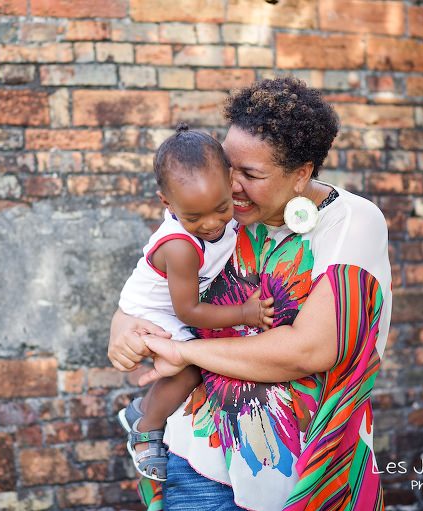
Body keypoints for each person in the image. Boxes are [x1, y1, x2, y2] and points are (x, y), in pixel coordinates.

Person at [109, 76, 392, 511]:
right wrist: (124, 328)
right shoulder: (219, 218)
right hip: (198, 462)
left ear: (301, 173)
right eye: (228, 167)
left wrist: (185, 354)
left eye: (251, 174)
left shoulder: (351, 222)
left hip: (304, 469)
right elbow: (150, 286)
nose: (232, 185)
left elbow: (310, 350)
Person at [116, 124, 275, 482]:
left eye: (221, 208)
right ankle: (145, 427)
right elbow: (189, 310)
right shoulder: (180, 247)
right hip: (154, 310)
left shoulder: (228, 216)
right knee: (188, 367)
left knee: (193, 360)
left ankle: (141, 409)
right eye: (194, 217)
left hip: (179, 305)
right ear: (167, 204)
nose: (211, 224)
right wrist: (245, 312)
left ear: (230, 183)